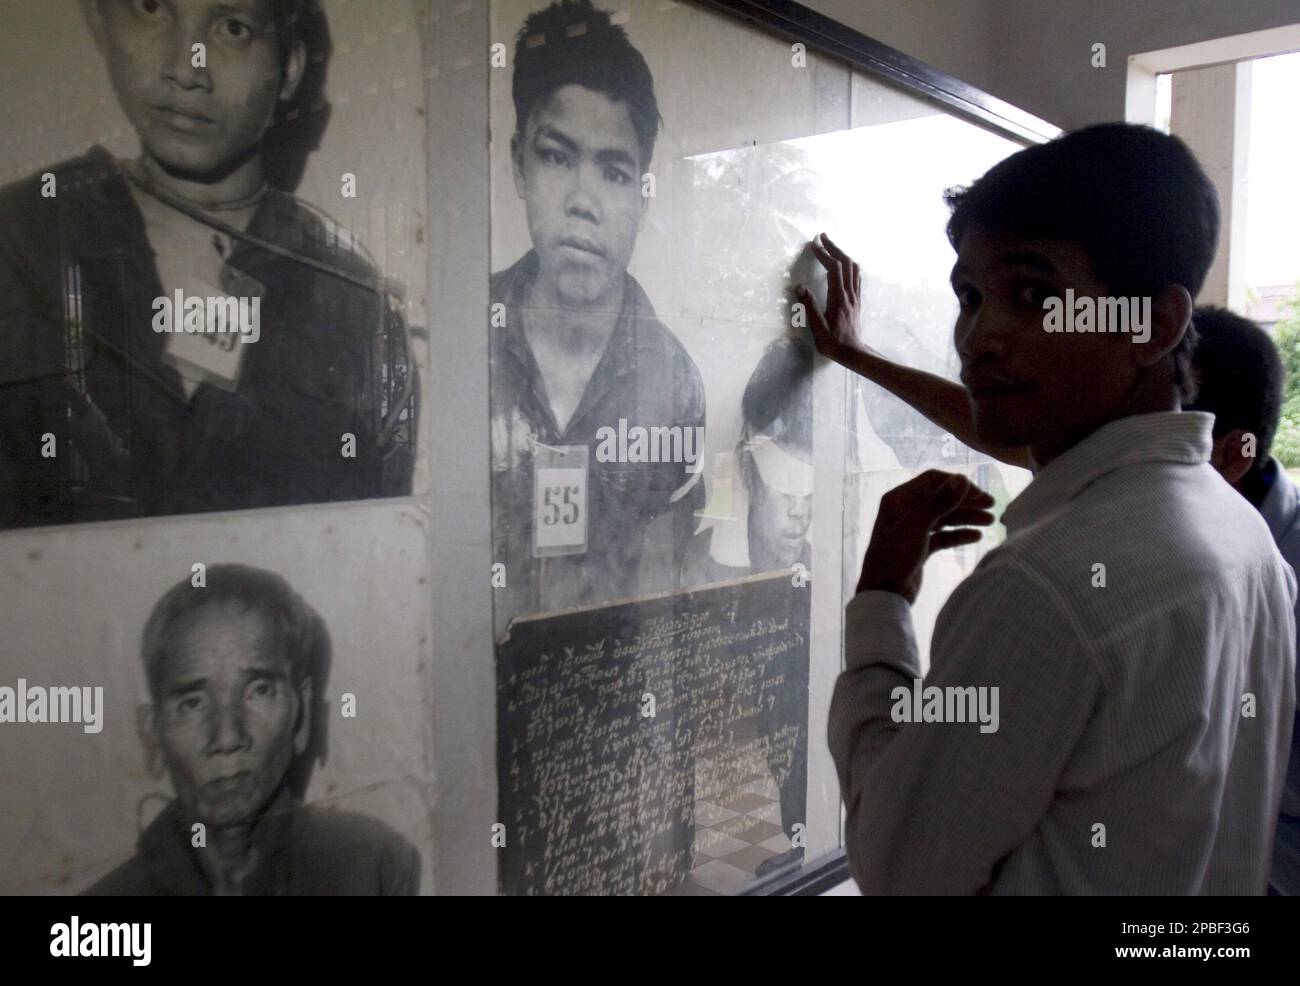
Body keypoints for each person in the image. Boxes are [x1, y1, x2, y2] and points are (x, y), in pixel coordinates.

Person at [806, 123, 1296, 893]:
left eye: (1036, 296)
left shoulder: (1048, 589)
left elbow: (897, 869)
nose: (978, 337)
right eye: (969, 296)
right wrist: (857, 355)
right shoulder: (1242, 536)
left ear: (1154, 325)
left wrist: (880, 600)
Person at [0, 0, 414, 531]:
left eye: (233, 28)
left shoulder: (353, 301)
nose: (186, 68)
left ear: (288, 68)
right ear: (100, 20)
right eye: (152, 9)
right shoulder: (20, 239)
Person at [489, 0, 705, 635]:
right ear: (518, 163)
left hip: (607, 713)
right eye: (557, 156)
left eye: (613, 171)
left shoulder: (675, 382)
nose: (582, 201)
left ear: (641, 195)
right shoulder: (453, 345)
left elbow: (667, 598)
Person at [85, 564, 420, 895]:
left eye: (259, 690)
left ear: (300, 715)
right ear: (152, 736)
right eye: (192, 703)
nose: (227, 737)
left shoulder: (374, 870)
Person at [681, 338, 813, 878]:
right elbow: (718, 545)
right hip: (763, 604)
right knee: (779, 729)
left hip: (806, 599)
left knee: (802, 728)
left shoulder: (820, 447)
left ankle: (811, 839)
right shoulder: (741, 457)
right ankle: (802, 838)